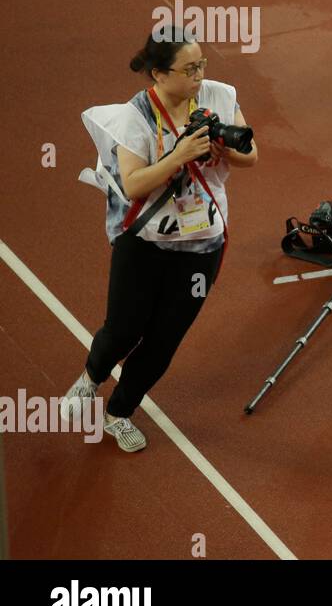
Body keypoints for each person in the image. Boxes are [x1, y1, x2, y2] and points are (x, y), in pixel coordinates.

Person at [60, 27, 258, 452]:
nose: (199, 76)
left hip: (202, 243)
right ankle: (92, 376)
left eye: (202, 64)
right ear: (158, 75)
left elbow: (252, 154)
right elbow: (133, 185)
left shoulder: (218, 96)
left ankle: (119, 413)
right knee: (123, 329)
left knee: (165, 339)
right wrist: (179, 156)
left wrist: (227, 151)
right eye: (189, 69)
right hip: (145, 241)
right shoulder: (133, 118)